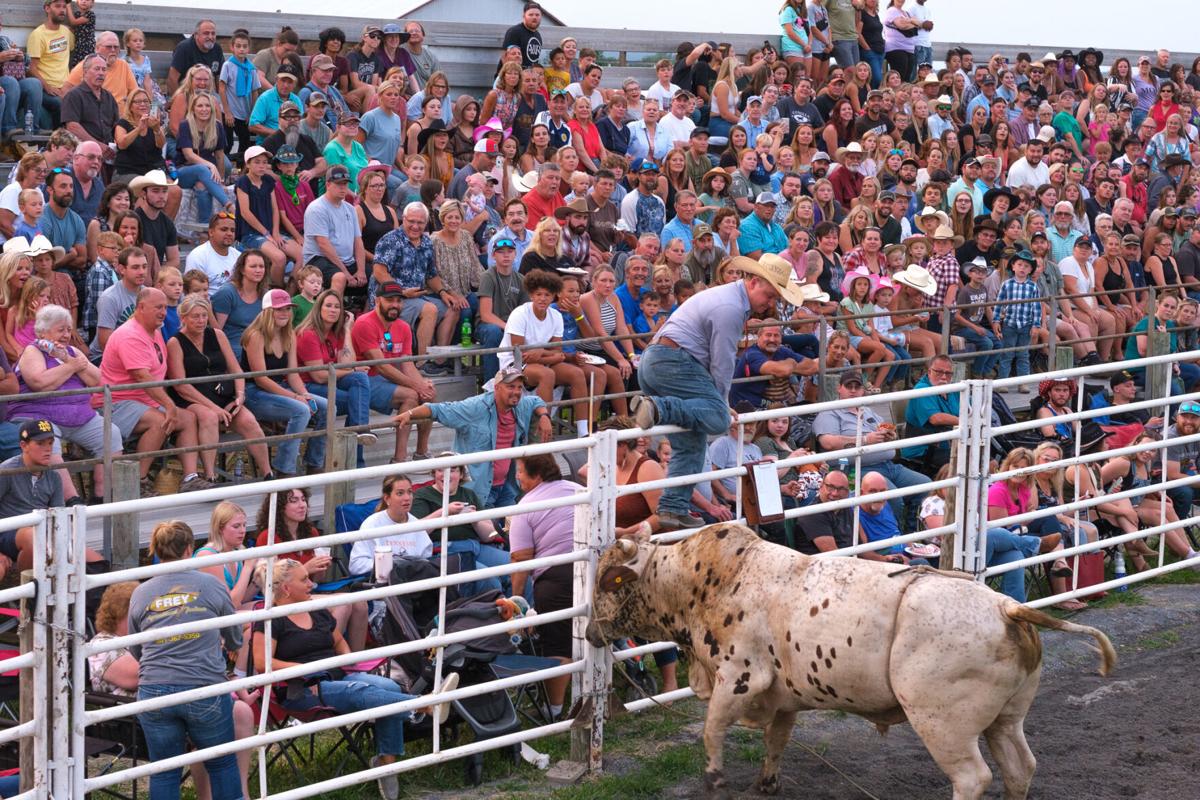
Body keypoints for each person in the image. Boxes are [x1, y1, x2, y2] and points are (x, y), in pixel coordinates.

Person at [252, 555, 456, 800]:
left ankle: (385, 762)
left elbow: (338, 641)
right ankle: (421, 707)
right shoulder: (271, 620)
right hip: (302, 689)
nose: (312, 585)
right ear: (286, 589)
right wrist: (302, 670)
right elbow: (263, 663)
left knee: (387, 684)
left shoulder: (317, 613)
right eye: (305, 580)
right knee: (357, 691)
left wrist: (348, 663)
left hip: (336, 678)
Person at [631, 254, 805, 529]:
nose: (770, 304)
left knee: (693, 442)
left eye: (775, 299)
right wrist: (722, 404)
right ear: (754, 281)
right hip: (674, 362)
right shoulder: (731, 308)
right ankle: (657, 408)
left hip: (660, 360)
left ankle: (672, 507)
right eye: (770, 295)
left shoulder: (728, 299)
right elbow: (722, 362)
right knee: (719, 419)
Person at [128, 520, 242, 800]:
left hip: (155, 687)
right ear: (190, 548)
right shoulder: (211, 585)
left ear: (156, 549)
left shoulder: (141, 592)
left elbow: (134, 647)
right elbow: (235, 635)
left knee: (165, 770)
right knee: (222, 761)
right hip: (203, 685)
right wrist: (227, 645)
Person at [97, 287, 212, 495]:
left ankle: (190, 477)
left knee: (187, 418)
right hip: (116, 402)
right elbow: (142, 377)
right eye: (158, 307)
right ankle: (136, 482)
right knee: (162, 420)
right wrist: (169, 404)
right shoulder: (129, 335)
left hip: (143, 400)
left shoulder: (155, 331)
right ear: (141, 307)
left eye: (165, 308)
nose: (163, 312)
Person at [395, 366, 551, 508]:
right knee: (491, 533)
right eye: (511, 387)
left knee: (509, 531)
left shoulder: (521, 404)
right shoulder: (474, 407)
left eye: (519, 387)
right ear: (496, 388)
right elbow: (437, 410)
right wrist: (409, 414)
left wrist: (544, 416)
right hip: (477, 492)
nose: (516, 392)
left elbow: (535, 401)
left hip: (508, 486)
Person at [11, 305, 119, 498]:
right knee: (47, 441)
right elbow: (39, 383)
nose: (66, 334)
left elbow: (97, 380)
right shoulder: (33, 351)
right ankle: (70, 499)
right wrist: (71, 366)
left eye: (69, 329)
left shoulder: (72, 352)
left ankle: (102, 495)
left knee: (111, 433)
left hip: (81, 416)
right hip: (39, 413)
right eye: (60, 329)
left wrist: (69, 359)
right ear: (43, 332)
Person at [166, 293, 273, 481]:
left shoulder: (217, 334)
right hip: (192, 397)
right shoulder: (175, 342)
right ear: (183, 318)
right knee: (209, 417)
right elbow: (181, 385)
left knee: (249, 420)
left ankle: (267, 473)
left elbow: (236, 370)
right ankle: (210, 475)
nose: (201, 321)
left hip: (222, 392)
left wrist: (240, 396)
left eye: (204, 315)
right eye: (195, 316)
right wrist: (214, 408)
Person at [813, 370, 931, 529]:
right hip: (858, 469)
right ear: (839, 388)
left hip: (889, 466)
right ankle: (892, 538)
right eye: (849, 386)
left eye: (857, 387)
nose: (853, 391)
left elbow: (887, 429)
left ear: (863, 390)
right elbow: (828, 442)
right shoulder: (830, 412)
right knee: (893, 498)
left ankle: (912, 534)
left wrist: (890, 434)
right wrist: (865, 440)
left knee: (927, 486)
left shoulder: (867, 410)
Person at [508, 451, 578, 718]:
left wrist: (516, 602)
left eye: (521, 471)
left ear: (536, 475)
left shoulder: (525, 507)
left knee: (557, 643)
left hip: (557, 578)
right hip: (597, 569)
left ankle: (554, 710)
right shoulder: (579, 489)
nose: (517, 476)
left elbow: (520, 559)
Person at [241, 290, 328, 477]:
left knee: (328, 407)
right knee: (301, 410)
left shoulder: (289, 334)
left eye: (288, 309)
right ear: (267, 311)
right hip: (255, 392)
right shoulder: (255, 335)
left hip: (279, 388)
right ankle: (284, 468)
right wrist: (296, 397)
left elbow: (293, 374)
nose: (285, 313)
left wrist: (304, 394)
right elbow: (261, 378)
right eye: (279, 309)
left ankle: (314, 462)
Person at [410, 456, 510, 596]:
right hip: (446, 551)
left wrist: (475, 521)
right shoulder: (422, 495)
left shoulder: (469, 494)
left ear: (461, 474)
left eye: (453, 470)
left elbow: (489, 537)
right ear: (434, 473)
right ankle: (497, 615)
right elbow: (416, 532)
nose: (446, 474)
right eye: (440, 470)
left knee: (517, 566)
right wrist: (446, 511)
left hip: (476, 547)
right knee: (489, 580)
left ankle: (523, 612)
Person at [300, 165, 366, 295]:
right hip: (318, 259)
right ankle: (334, 314)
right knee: (339, 278)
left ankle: (365, 313)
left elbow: (358, 241)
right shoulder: (317, 208)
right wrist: (346, 273)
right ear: (328, 184)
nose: (343, 188)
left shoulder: (351, 208)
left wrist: (361, 270)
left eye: (345, 184)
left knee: (375, 275)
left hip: (347, 260)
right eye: (338, 184)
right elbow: (323, 244)